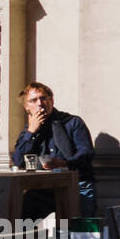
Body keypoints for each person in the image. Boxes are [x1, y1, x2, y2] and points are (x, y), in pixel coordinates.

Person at [11, 81, 97, 217]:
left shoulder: (72, 122)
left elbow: (86, 153)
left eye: (43, 98)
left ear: (51, 100)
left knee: (81, 230)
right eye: (33, 100)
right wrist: (32, 132)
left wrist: (65, 163)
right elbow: (17, 160)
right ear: (27, 107)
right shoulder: (28, 131)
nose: (39, 103)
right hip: (42, 186)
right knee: (19, 217)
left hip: (76, 183)